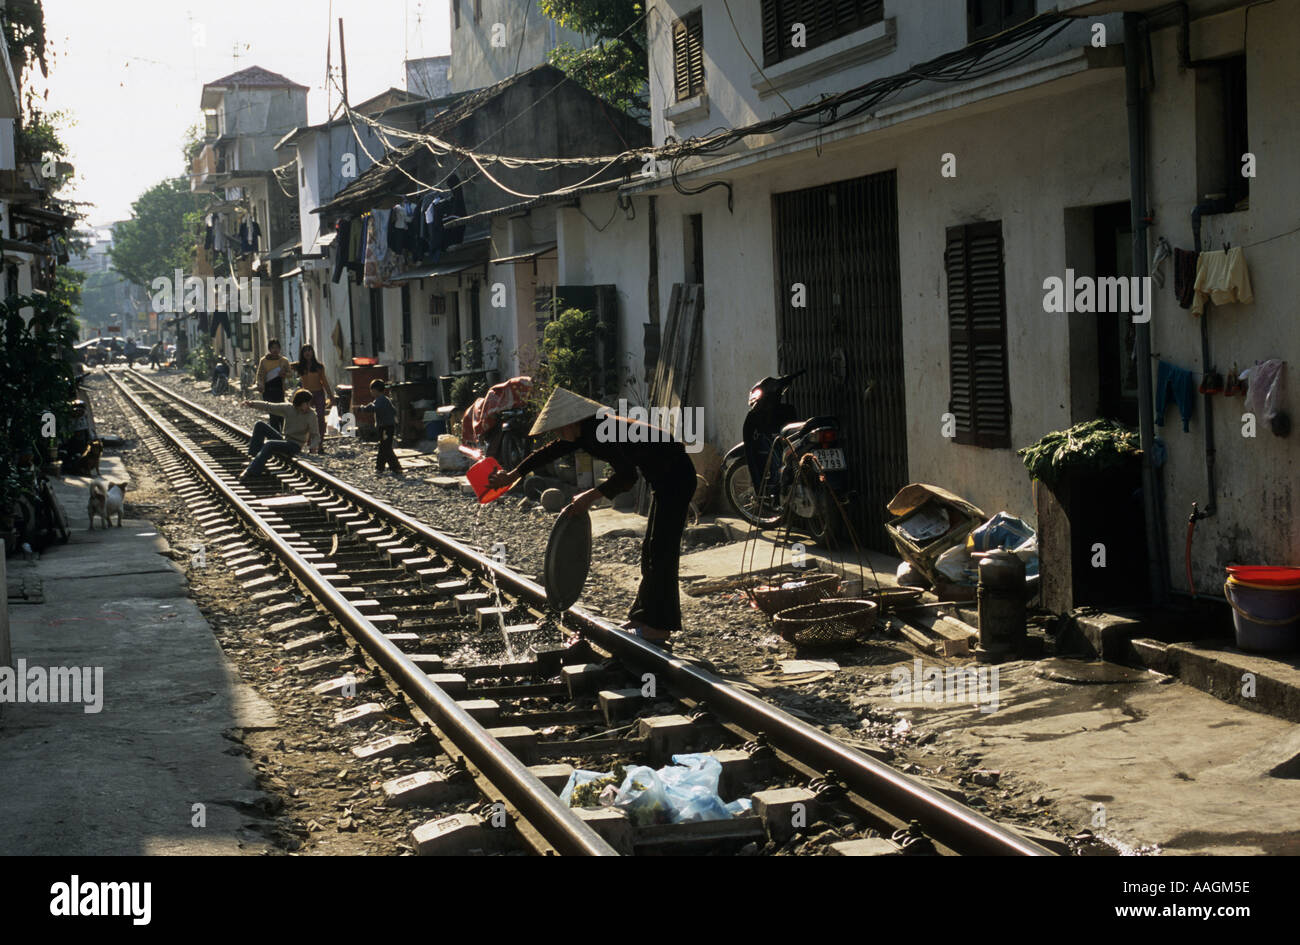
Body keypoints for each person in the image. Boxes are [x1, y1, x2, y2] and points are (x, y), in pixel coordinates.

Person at [488, 388, 696, 647]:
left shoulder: (603, 431)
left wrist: (590, 496)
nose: (557, 434)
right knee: (651, 550)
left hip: (677, 478)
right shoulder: (584, 431)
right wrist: (513, 475)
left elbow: (627, 477)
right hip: (663, 480)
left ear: (572, 420)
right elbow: (549, 452)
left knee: (662, 552)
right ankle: (644, 617)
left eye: (558, 428)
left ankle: (660, 627)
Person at [238, 390, 320, 480]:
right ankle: (253, 459)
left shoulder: (311, 415)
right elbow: (269, 406)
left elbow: (315, 434)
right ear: (299, 403)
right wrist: (252, 404)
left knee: (269, 444)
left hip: (294, 445)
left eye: (309, 404)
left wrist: (313, 446)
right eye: (306, 404)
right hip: (285, 440)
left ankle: (252, 471)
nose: (309, 406)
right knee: (259, 425)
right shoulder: (289, 408)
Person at [354, 379, 402, 476]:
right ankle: (395, 468)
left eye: (371, 390)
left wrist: (361, 408)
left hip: (385, 427)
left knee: (384, 448)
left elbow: (373, 408)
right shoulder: (385, 400)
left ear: (375, 390)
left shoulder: (381, 400)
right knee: (386, 447)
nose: (371, 392)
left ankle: (380, 468)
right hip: (388, 426)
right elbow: (393, 411)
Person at [294, 344, 333, 453]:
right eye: (305, 351)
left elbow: (324, 382)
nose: (307, 353)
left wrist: (330, 395)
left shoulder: (319, 366)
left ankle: (320, 444)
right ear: (302, 354)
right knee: (308, 419)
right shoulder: (299, 366)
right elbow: (286, 366)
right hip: (306, 396)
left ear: (313, 352)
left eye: (309, 350)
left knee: (320, 418)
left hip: (319, 394)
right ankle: (310, 443)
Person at [255, 339, 294, 433]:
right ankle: (276, 434)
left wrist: (284, 374)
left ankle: (280, 433)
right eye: (273, 347)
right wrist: (259, 384)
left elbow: (290, 374)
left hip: (279, 390)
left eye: (277, 347)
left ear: (280, 349)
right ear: (269, 349)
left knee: (280, 412)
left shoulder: (284, 361)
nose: (275, 350)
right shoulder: (263, 361)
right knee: (272, 413)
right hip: (267, 390)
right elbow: (259, 375)